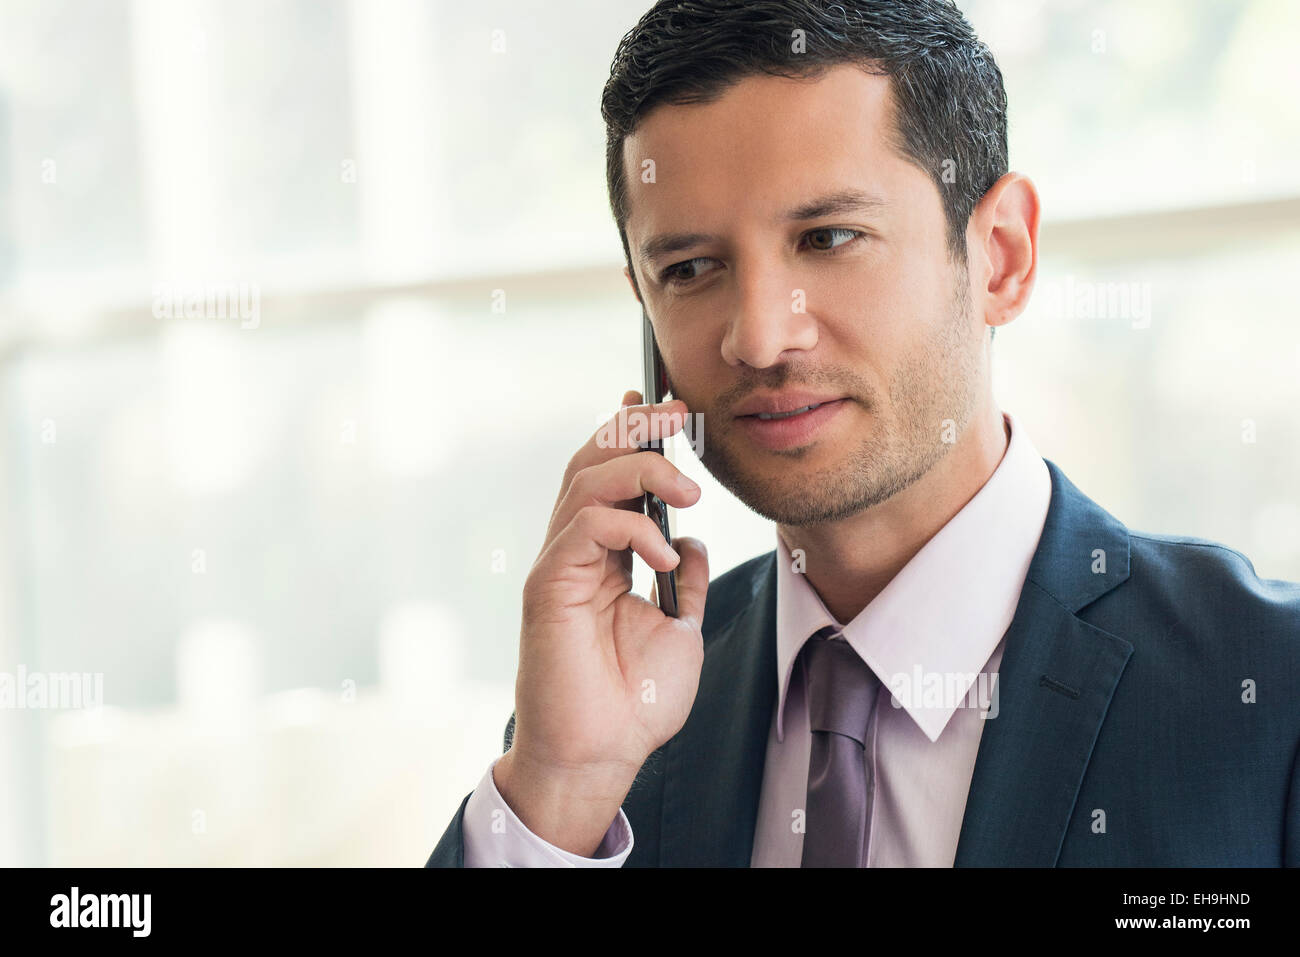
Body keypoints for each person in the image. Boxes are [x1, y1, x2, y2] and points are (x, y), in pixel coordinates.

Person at [426, 0, 1300, 867]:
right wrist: (559, 790)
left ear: (1000, 255)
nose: (761, 337)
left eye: (829, 236)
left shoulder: (1269, 695)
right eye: (690, 269)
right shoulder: (613, 721)